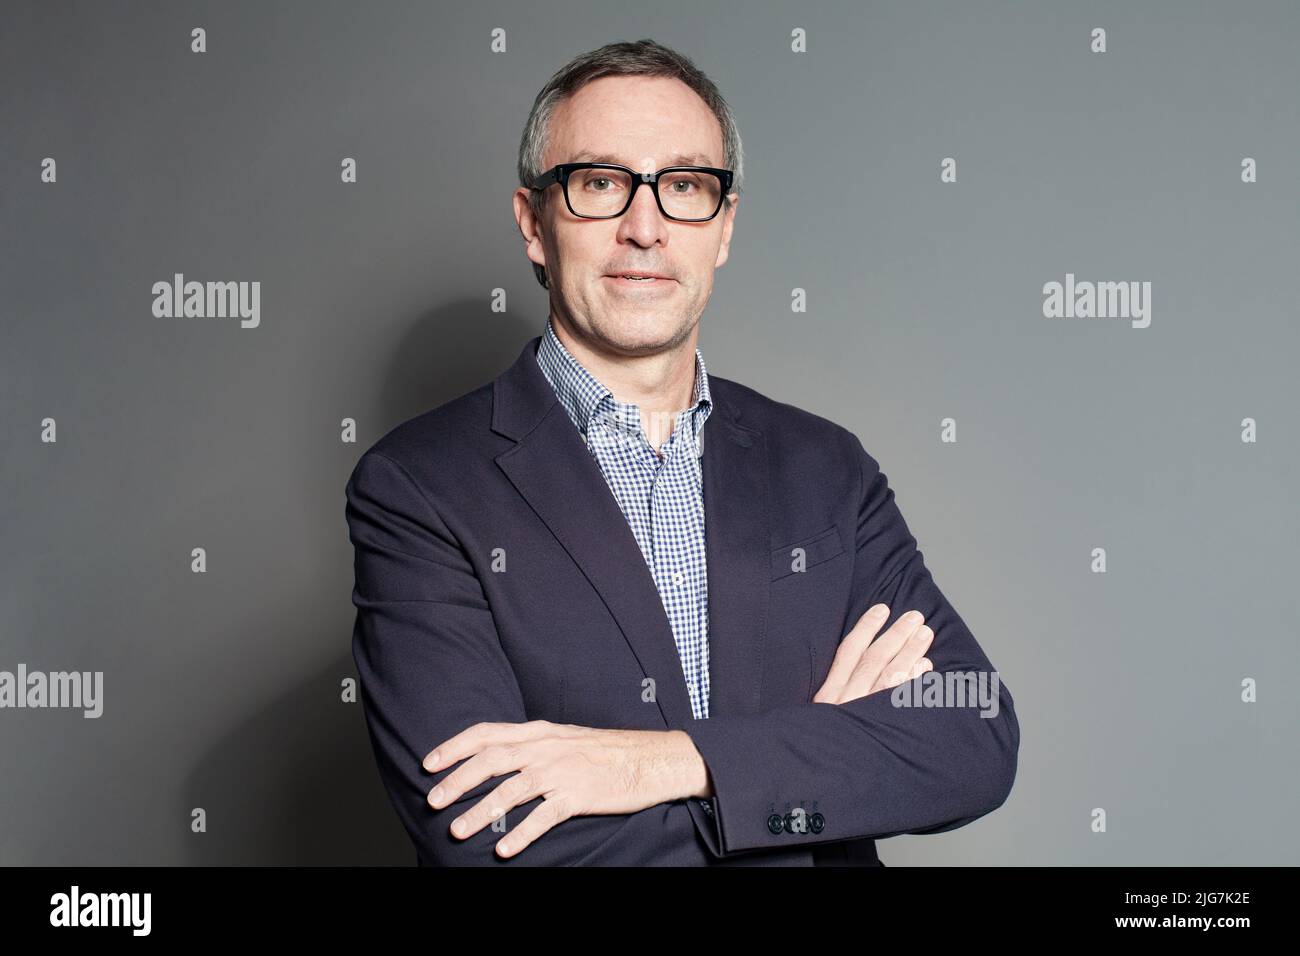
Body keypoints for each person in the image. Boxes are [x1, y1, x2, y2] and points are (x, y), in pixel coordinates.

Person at [344, 38, 1019, 866]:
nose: (645, 227)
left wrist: (664, 764)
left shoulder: (825, 469)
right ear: (533, 223)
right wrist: (817, 766)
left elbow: (975, 735)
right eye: (600, 184)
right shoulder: (418, 487)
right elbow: (487, 839)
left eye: (686, 187)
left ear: (724, 228)